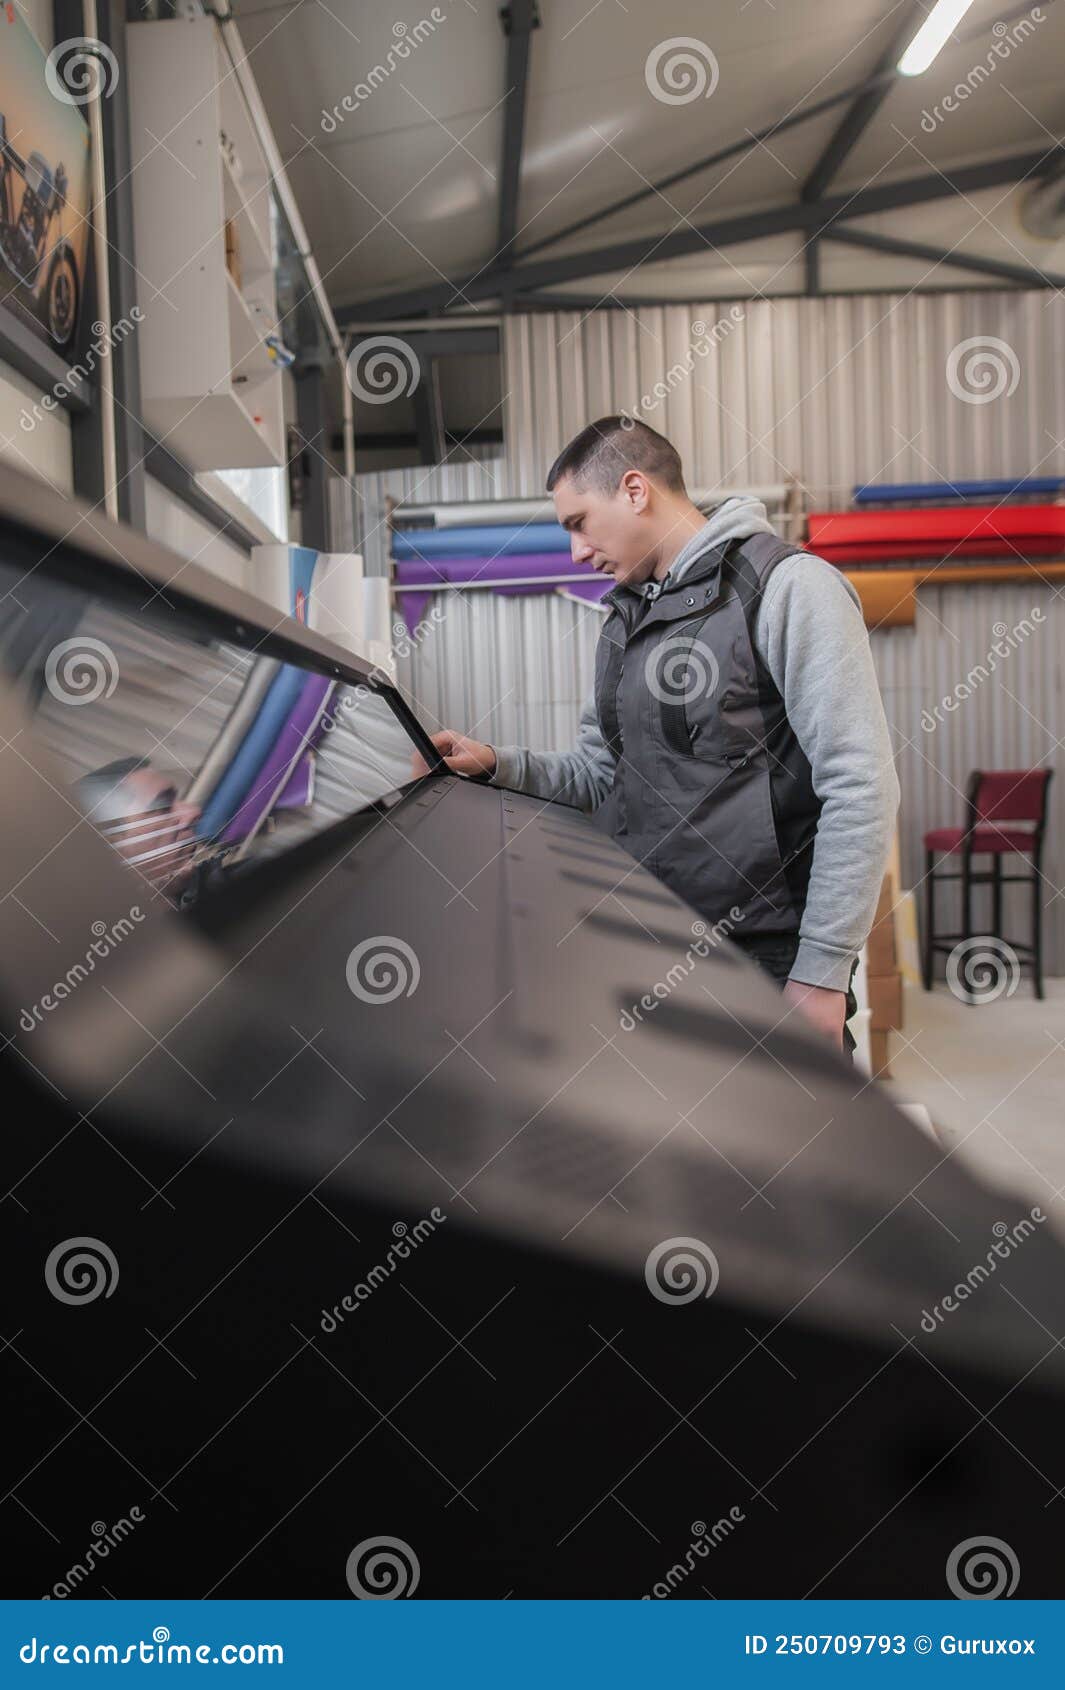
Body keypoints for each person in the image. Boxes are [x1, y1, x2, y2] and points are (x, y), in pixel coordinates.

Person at [422, 418, 900, 1052]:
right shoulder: (623, 622)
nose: (576, 552)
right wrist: (497, 765)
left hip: (767, 959)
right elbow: (598, 776)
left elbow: (861, 788)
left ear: (635, 490)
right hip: (655, 944)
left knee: (780, 1151)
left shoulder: (786, 588)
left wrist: (820, 974)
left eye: (578, 522)